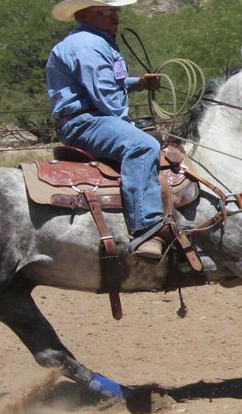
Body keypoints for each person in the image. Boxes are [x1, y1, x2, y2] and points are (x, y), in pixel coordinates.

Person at [46, 0, 168, 258]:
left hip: (92, 118)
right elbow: (105, 95)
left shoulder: (97, 40)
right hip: (85, 122)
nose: (115, 16)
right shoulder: (87, 45)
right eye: (107, 11)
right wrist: (130, 125)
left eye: (116, 10)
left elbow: (111, 82)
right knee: (144, 145)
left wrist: (138, 83)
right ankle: (146, 228)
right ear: (84, 13)